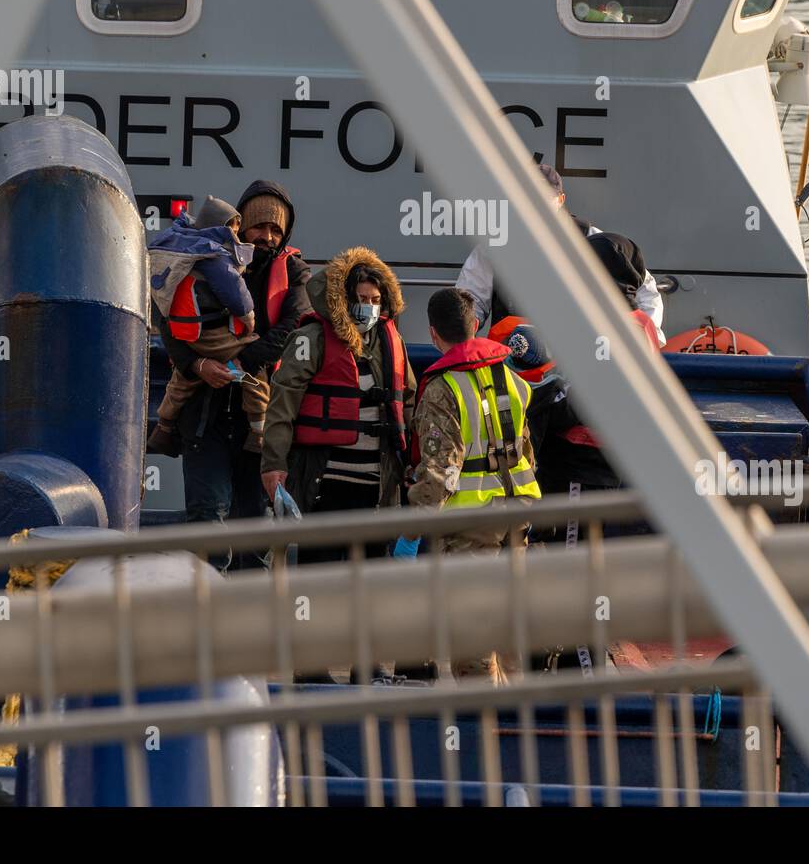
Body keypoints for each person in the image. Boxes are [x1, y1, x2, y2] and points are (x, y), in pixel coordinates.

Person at [155, 180, 310, 569]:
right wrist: (197, 365)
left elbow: (293, 326)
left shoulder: (295, 272)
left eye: (276, 229)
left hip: (260, 424)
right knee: (207, 523)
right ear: (241, 226)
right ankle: (205, 620)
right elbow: (168, 317)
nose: (267, 236)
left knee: (254, 532)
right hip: (204, 416)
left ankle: (251, 622)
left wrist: (242, 364)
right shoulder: (205, 257)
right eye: (259, 226)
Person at [406, 288, 541, 682]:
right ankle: (518, 716)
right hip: (520, 512)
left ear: (434, 335)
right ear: (476, 325)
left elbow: (440, 471)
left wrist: (413, 528)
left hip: (472, 521)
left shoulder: (442, 389)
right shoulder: (511, 379)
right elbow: (527, 454)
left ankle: (484, 720)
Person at [261, 246, 416, 566]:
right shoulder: (312, 337)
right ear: (345, 299)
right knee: (319, 579)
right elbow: (283, 402)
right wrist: (274, 463)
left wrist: (415, 461)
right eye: (362, 299)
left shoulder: (391, 341)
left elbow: (409, 401)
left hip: (377, 489)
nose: (369, 307)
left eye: (375, 301)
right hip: (324, 485)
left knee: (371, 585)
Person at [456, 161, 665, 343]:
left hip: (578, 360)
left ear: (561, 199)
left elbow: (645, 289)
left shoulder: (592, 239)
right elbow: (469, 300)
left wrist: (645, 337)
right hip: (513, 359)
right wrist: (461, 336)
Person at [147, 197, 263, 456]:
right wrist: (249, 318)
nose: (236, 234)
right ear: (222, 226)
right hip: (214, 335)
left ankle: (163, 427)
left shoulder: (183, 246)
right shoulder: (213, 253)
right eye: (233, 228)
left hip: (187, 334)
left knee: (181, 380)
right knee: (256, 377)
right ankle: (259, 432)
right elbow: (235, 293)